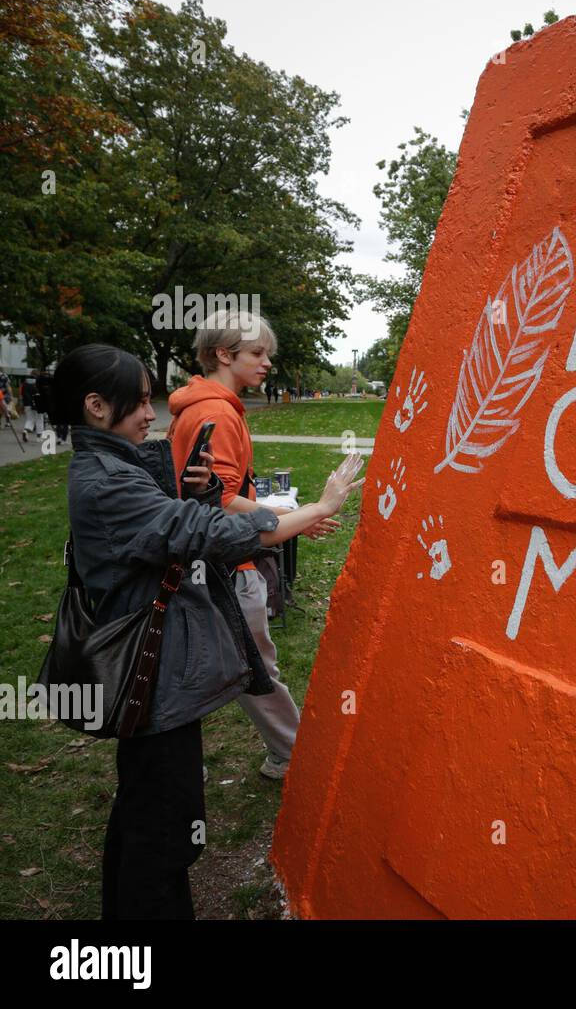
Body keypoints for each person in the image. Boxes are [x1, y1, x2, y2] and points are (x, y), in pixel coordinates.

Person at [52, 343, 364, 919]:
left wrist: (190, 489)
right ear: (96, 405)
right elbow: (209, 532)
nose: (153, 416)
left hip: (159, 676)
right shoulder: (107, 484)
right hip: (153, 681)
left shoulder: (114, 465)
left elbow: (175, 519)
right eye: (139, 403)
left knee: (144, 808)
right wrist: (318, 508)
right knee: (167, 830)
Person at [167, 313, 338, 781]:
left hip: (205, 560)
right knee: (254, 665)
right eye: (256, 354)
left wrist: (292, 520)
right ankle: (292, 755)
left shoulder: (205, 406)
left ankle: (172, 766)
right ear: (224, 355)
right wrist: (305, 514)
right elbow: (220, 500)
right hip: (226, 564)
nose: (266, 364)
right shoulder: (216, 412)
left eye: (267, 355)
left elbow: (216, 493)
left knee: (196, 667)